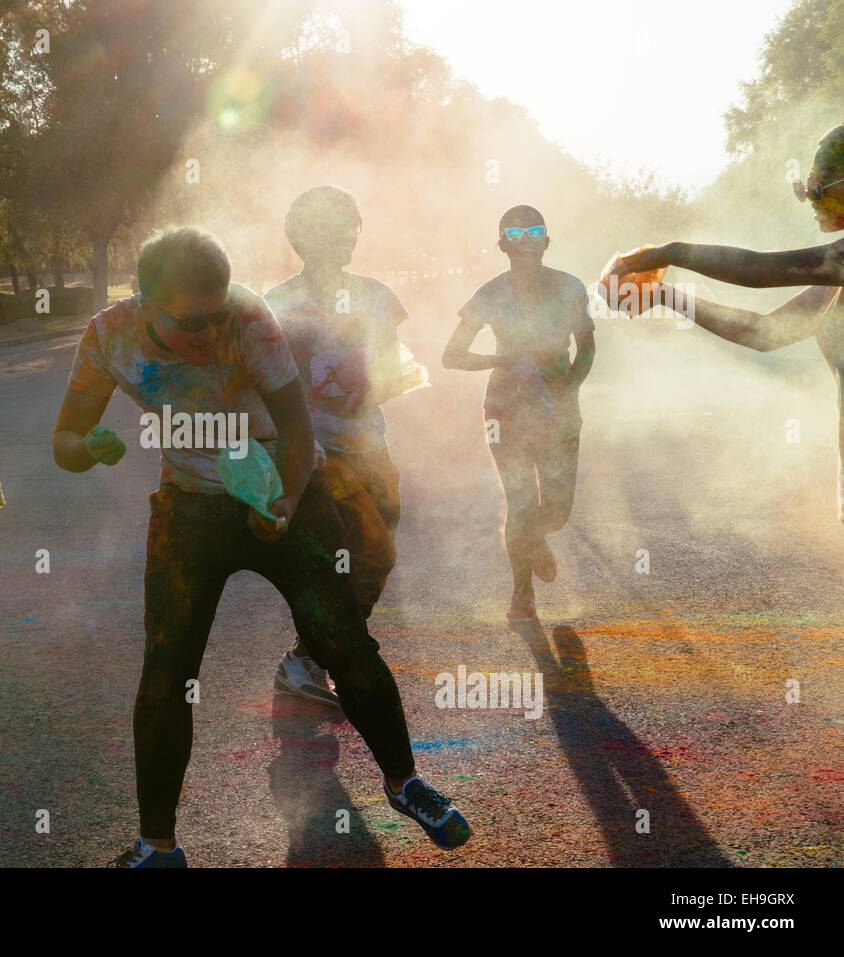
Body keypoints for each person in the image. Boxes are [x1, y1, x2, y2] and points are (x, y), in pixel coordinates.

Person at [53, 226, 472, 867]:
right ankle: (156, 846)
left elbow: (300, 425)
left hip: (287, 489)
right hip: (189, 508)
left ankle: (404, 783)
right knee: (166, 673)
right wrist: (88, 449)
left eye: (217, 312)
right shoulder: (109, 335)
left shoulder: (248, 317)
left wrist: (285, 500)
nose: (209, 332)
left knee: (343, 643)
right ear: (146, 304)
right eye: (193, 321)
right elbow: (66, 442)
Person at [607, 125, 844, 519]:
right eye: (806, 189)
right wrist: (667, 296)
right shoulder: (832, 284)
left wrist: (666, 253)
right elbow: (763, 333)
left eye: (819, 190)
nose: (810, 201)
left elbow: (758, 270)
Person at [265, 186, 423, 705]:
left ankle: (314, 651)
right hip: (310, 455)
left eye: (350, 226)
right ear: (303, 237)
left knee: (377, 554)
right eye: (331, 227)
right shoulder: (276, 304)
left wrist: (371, 386)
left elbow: (396, 368)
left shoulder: (377, 296)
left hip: (367, 446)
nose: (345, 236)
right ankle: (315, 657)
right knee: (327, 559)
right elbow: (260, 381)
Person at [442, 206, 595, 623]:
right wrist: (501, 358)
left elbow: (587, 347)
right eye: (516, 232)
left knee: (558, 511)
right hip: (504, 413)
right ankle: (521, 597)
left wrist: (570, 385)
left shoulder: (570, 288)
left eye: (535, 231)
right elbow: (450, 356)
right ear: (503, 245)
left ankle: (535, 539)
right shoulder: (489, 293)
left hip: (560, 412)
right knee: (522, 504)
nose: (526, 239)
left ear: (547, 241)